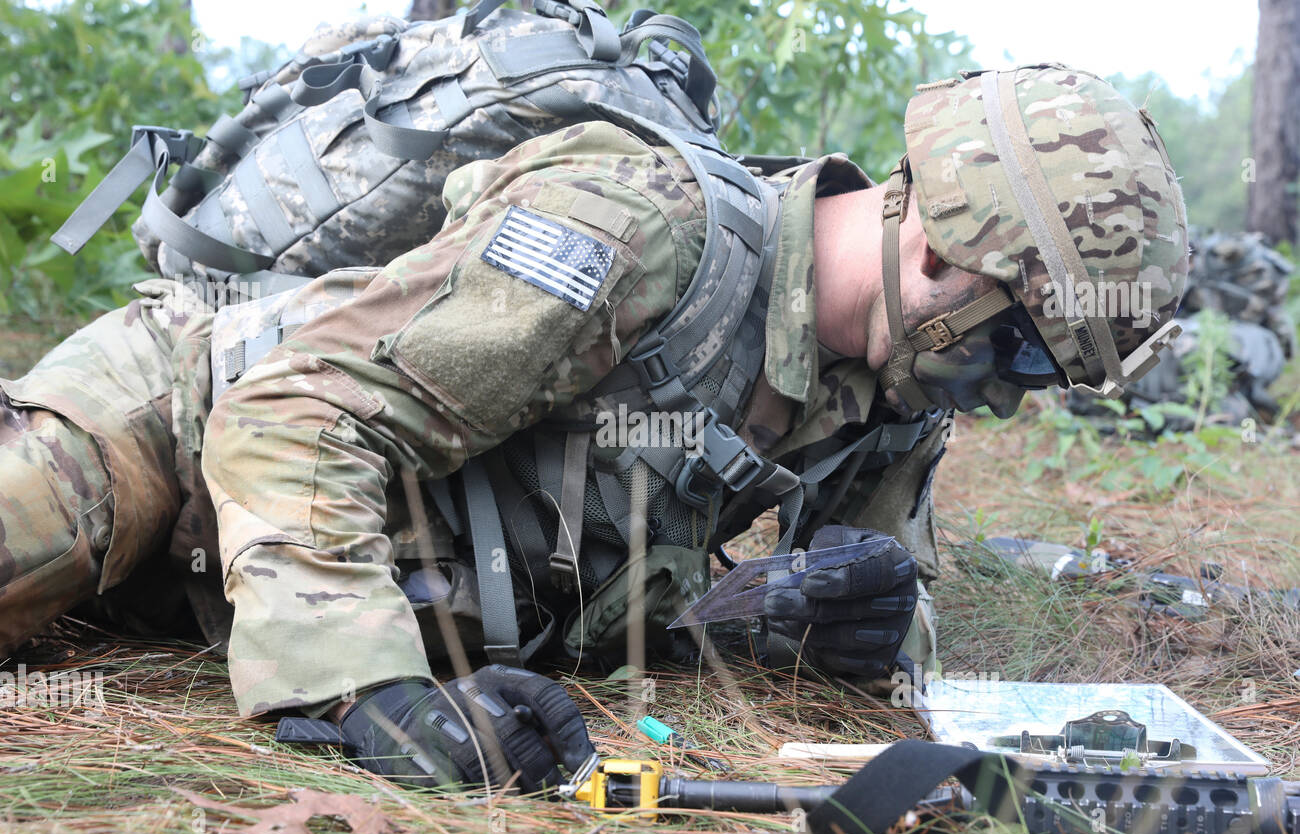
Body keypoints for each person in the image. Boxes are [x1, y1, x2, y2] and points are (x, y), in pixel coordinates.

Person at [0, 65, 1189, 791]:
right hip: (171, 428)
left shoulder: (887, 393)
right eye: (1019, 347)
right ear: (935, 252)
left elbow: (876, 614)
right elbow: (296, 413)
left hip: (275, 574)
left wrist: (821, 618)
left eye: (1045, 376)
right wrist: (365, 689)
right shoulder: (638, 231)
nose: (1004, 395)